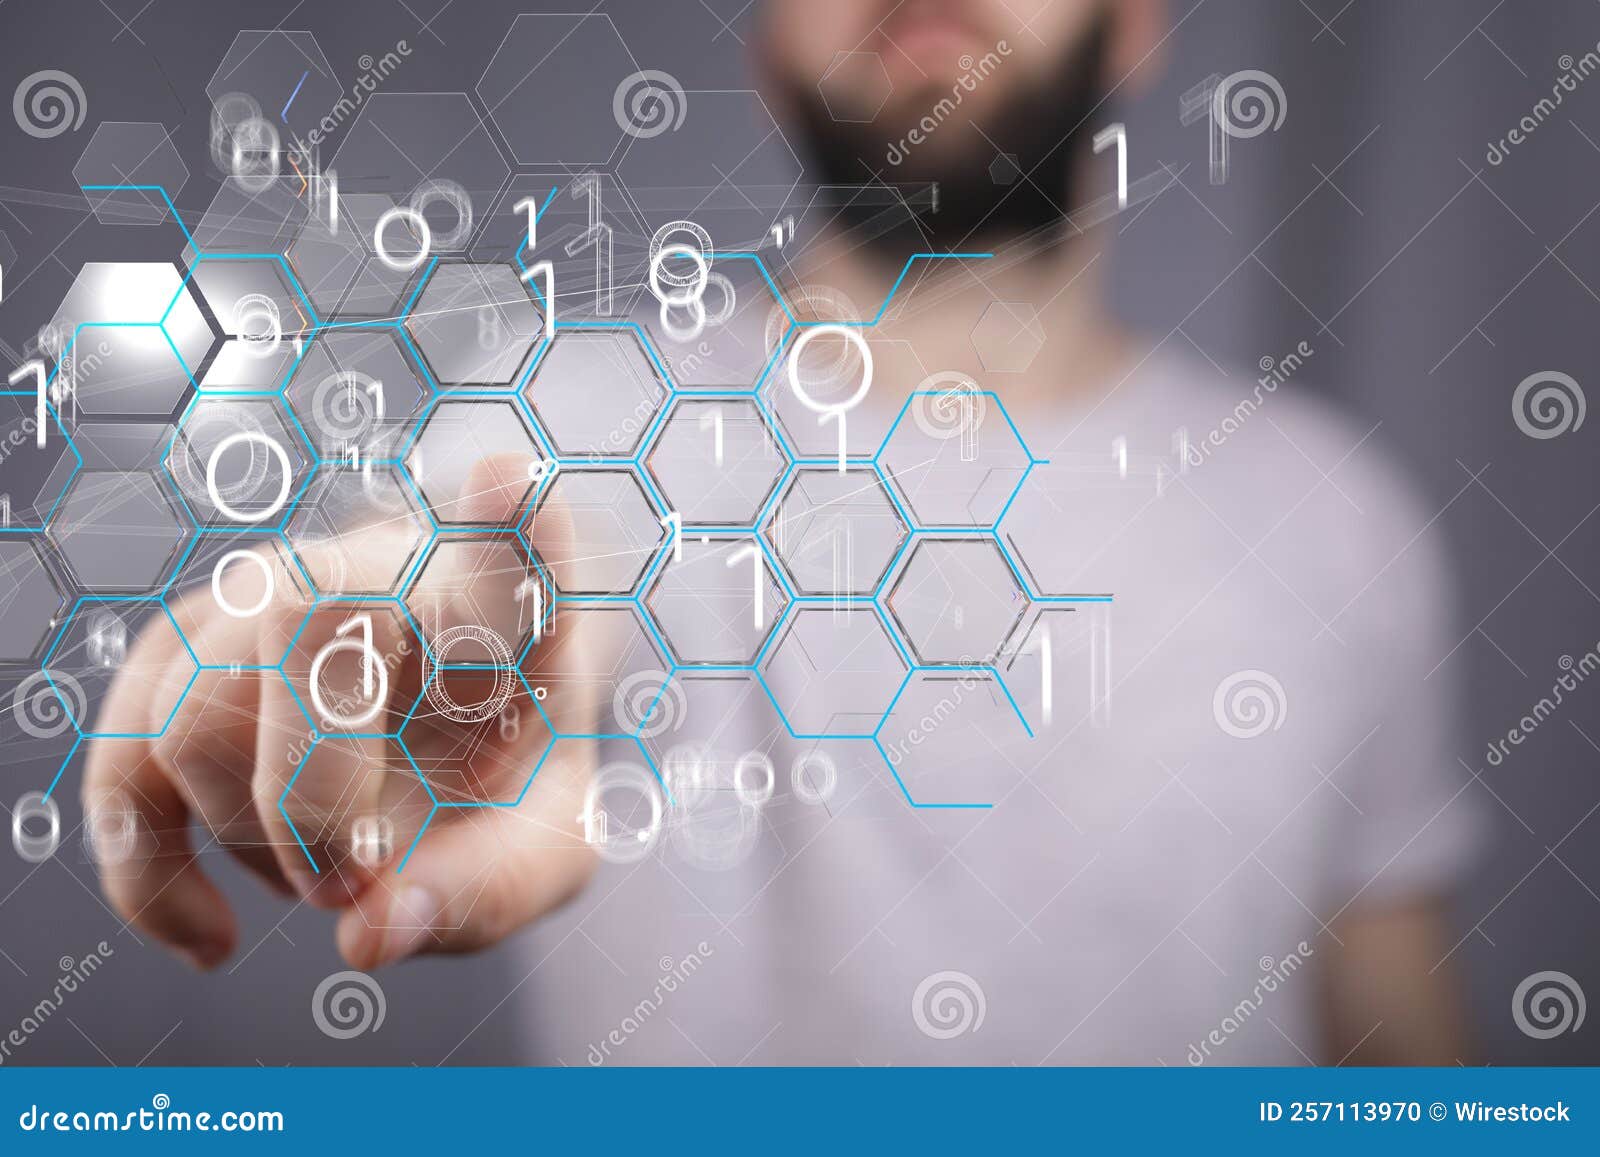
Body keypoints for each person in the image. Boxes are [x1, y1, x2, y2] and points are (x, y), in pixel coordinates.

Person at [85, 0, 1483, 1064]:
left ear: (1135, 25)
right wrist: (373, 653)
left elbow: (1396, 1028)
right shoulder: (564, 418)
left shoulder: (1330, 515)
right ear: (766, 60)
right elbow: (461, 579)